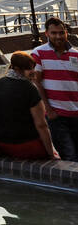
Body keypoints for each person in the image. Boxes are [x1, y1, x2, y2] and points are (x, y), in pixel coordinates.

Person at [0, 51, 59, 160]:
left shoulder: (0, 83)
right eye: (29, 69)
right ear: (17, 69)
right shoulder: (29, 88)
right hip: (24, 144)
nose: (33, 71)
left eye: (33, 68)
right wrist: (51, 153)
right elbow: (41, 125)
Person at [30, 17, 78, 161]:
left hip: (76, 114)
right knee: (70, 156)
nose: (58, 36)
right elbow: (36, 83)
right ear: (47, 34)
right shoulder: (38, 53)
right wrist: (49, 110)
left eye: (61, 32)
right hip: (57, 116)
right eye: (54, 33)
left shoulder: (76, 54)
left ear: (66, 33)